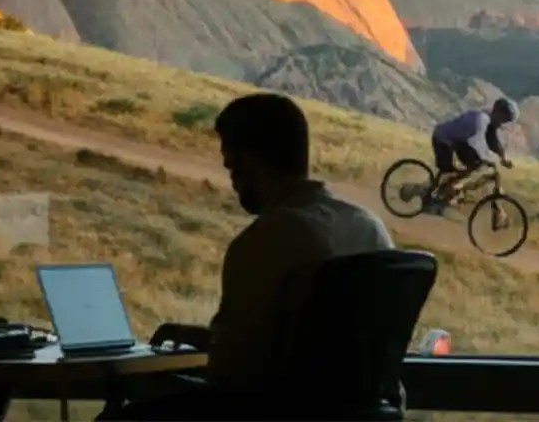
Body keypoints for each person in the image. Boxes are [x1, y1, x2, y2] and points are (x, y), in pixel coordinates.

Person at [100, 93, 394, 420]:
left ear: (249, 163)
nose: (233, 182)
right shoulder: (371, 228)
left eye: (231, 167)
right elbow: (309, 346)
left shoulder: (267, 239)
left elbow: (232, 374)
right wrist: (193, 336)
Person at [425, 97, 519, 214]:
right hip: (443, 140)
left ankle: (448, 190)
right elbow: (477, 142)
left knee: (473, 166)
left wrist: (503, 157)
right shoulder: (481, 119)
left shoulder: (490, 122)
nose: (504, 123)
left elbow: (493, 141)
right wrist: (488, 159)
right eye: (505, 119)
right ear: (499, 112)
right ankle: (434, 197)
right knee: (458, 169)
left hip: (458, 143)